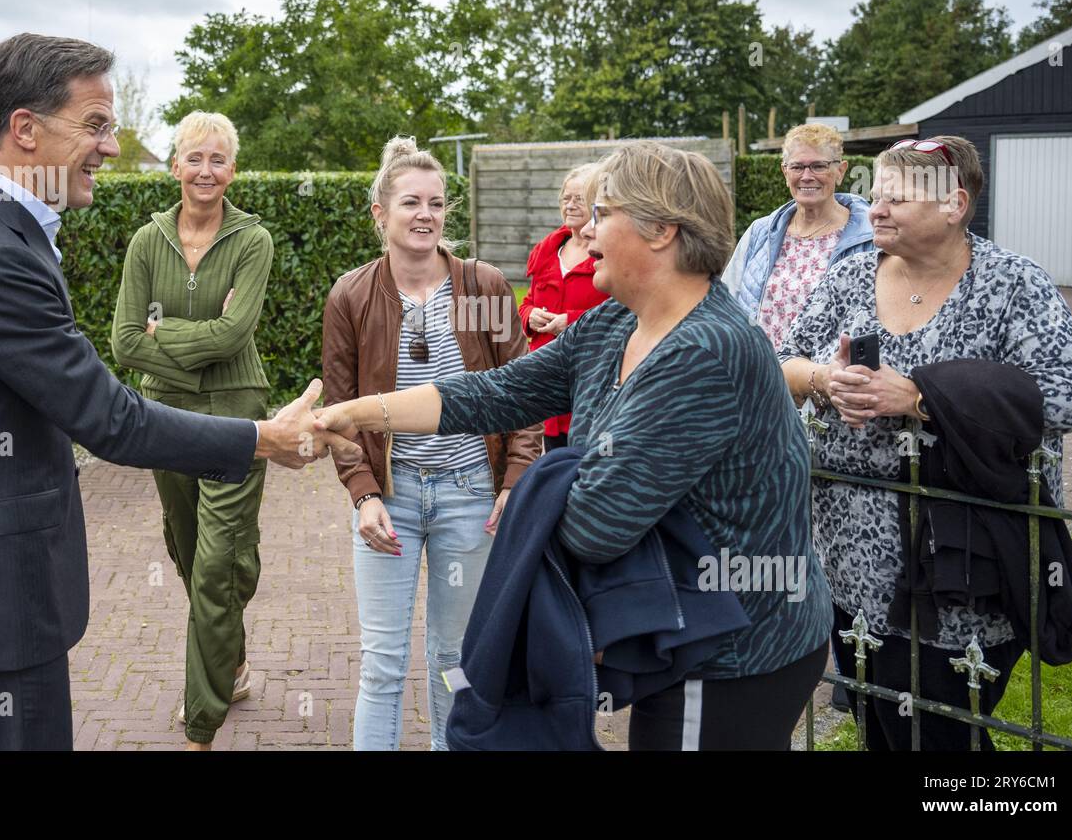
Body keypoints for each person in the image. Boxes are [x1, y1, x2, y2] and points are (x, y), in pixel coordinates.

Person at [0, 32, 355, 751]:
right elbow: (111, 418)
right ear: (25, 130)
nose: (113, 147)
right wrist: (263, 440)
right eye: (94, 125)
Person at [317, 141, 834, 750]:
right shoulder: (617, 321)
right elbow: (491, 394)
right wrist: (352, 413)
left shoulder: (705, 352)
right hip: (682, 632)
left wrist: (535, 484)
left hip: (736, 650)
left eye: (602, 214)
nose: (585, 233)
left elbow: (597, 524)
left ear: (662, 230)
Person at [778, 135, 1072, 749]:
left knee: (947, 742)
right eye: (875, 196)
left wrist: (921, 400)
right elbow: (781, 361)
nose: (876, 209)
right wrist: (824, 378)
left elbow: (1070, 397)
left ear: (954, 204)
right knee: (880, 729)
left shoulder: (1012, 284)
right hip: (851, 565)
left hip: (962, 573)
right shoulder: (848, 276)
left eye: (896, 198)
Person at [320, 135, 541, 750]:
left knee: (456, 658)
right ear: (380, 213)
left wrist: (515, 480)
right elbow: (339, 415)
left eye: (438, 203)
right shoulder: (352, 296)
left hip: (472, 494)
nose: (426, 215)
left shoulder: (485, 287)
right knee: (383, 662)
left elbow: (522, 393)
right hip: (392, 499)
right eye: (411, 202)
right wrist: (363, 494)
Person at [111, 111, 273, 750]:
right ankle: (229, 656)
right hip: (166, 416)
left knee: (217, 565)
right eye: (194, 158)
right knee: (187, 549)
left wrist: (164, 334)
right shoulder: (146, 242)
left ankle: (201, 721)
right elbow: (124, 343)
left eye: (219, 160)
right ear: (175, 165)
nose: (206, 171)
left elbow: (237, 337)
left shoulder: (252, 241)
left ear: (232, 169)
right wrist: (189, 338)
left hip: (237, 409)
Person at [723, 123, 873, 350]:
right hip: (761, 377)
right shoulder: (760, 232)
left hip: (830, 378)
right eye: (797, 167)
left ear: (840, 171)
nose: (806, 176)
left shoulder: (869, 237)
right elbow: (726, 303)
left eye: (818, 166)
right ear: (785, 172)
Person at [518, 164, 609, 450]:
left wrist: (570, 321)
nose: (569, 205)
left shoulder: (607, 254)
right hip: (546, 376)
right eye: (565, 199)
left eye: (578, 199)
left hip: (588, 377)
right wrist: (529, 315)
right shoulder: (547, 251)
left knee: (587, 458)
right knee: (551, 459)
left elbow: (624, 313)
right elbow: (527, 302)